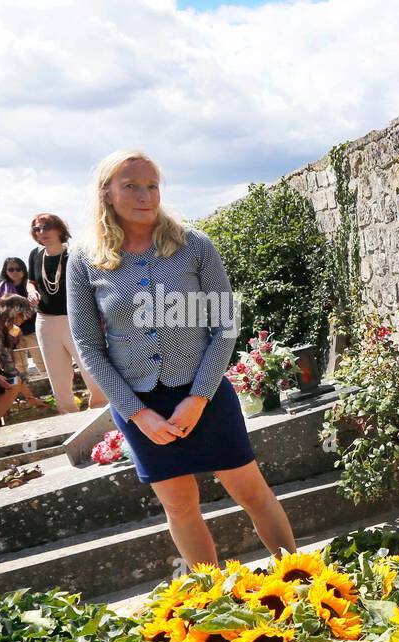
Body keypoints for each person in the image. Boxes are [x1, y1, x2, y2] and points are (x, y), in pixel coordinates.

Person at [67, 149, 297, 570]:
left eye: (152, 185)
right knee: (181, 506)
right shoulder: (84, 259)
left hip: (204, 395)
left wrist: (199, 397)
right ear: (107, 194)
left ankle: (300, 579)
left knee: (252, 492)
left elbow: (225, 325)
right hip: (140, 407)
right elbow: (87, 343)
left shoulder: (193, 245)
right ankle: (214, 602)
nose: (144, 195)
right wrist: (138, 414)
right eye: (131, 186)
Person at [29, 214, 108, 413]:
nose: (42, 232)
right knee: (57, 376)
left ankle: (100, 411)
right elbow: (31, 280)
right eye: (37, 229)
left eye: (46, 227)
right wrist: (30, 290)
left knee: (90, 369)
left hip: (75, 319)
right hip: (45, 321)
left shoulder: (74, 254)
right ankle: (68, 416)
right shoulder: (35, 255)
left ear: (59, 229)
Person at [0, 296, 42, 437]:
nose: (22, 321)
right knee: (4, 383)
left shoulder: (7, 331)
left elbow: (11, 369)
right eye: (22, 316)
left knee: (13, 383)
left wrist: (31, 398)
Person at [0, 257, 43, 376]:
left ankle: (49, 384)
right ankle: (26, 389)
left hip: (32, 328)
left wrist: (24, 315)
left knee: (40, 357)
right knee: (19, 363)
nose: (14, 272)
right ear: (6, 271)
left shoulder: (31, 284)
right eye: (10, 269)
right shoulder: (2, 288)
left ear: (24, 269)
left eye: (18, 269)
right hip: (12, 330)